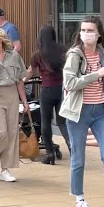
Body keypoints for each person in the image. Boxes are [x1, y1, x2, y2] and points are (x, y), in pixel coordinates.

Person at [61, 16, 104, 207]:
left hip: (100, 112)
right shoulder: (75, 55)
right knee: (78, 159)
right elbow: (70, 83)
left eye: (90, 30)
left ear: (99, 34)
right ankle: (79, 200)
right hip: (78, 112)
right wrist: (95, 74)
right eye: (83, 30)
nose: (86, 34)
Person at [0, 27, 30, 183]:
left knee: (11, 132)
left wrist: (24, 101)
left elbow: (19, 81)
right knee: (0, 132)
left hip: (12, 95)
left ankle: (5, 168)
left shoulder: (14, 56)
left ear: (0, 38)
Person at [29, 25, 69, 165]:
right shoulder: (63, 50)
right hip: (62, 89)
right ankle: (73, 149)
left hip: (46, 91)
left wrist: (22, 81)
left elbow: (31, 72)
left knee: (45, 121)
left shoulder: (38, 54)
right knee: (62, 121)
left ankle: (49, 153)